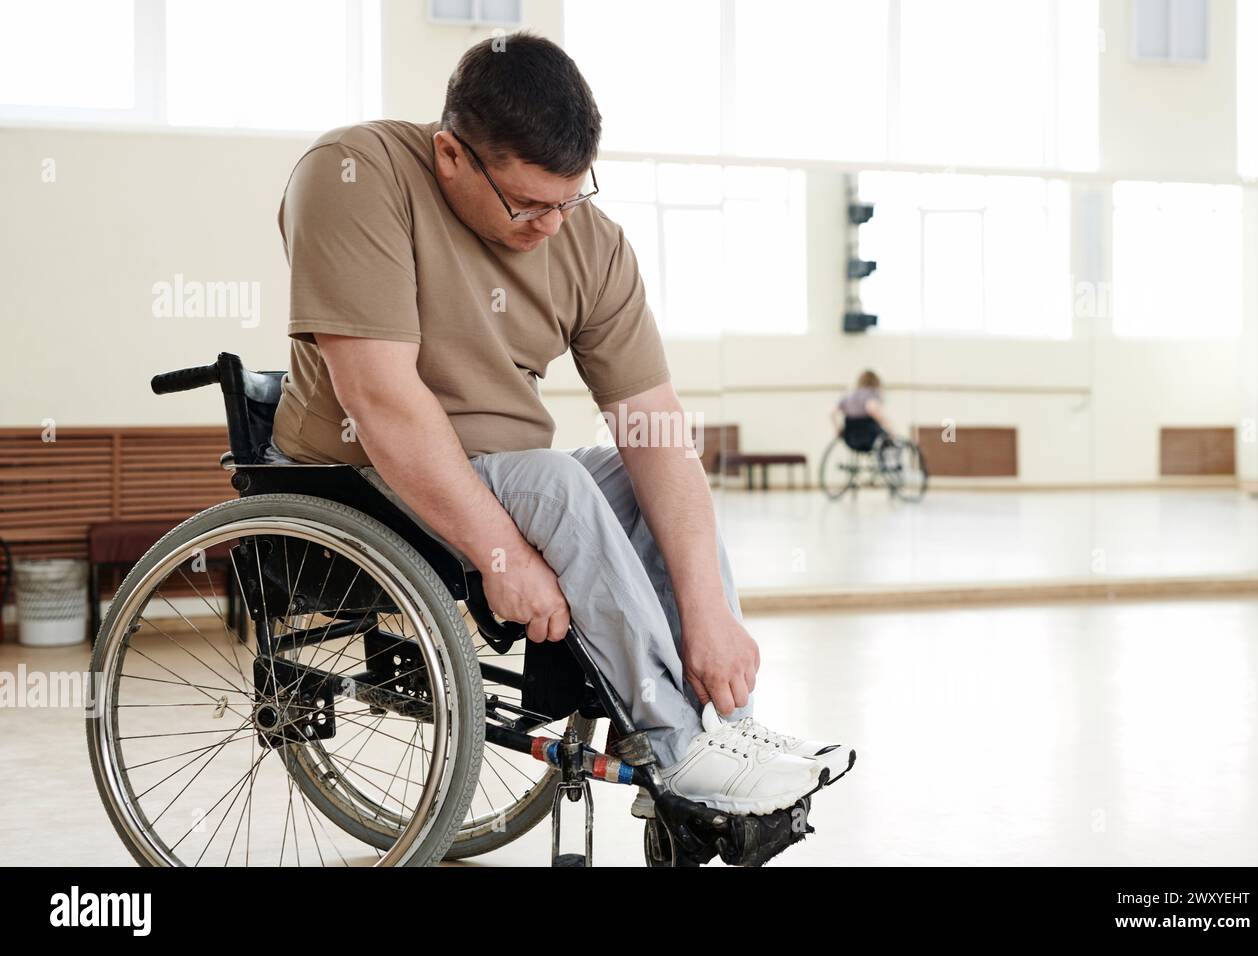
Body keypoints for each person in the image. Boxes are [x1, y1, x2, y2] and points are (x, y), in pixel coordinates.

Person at [267, 33, 854, 817]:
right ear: (450, 155)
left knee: (627, 471)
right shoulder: (354, 175)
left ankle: (731, 730)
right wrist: (499, 553)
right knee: (554, 481)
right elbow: (381, 402)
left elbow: (653, 426)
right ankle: (677, 755)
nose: (552, 225)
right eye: (529, 204)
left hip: (506, 475)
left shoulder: (589, 241)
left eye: (572, 198)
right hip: (355, 480)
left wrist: (708, 611)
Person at [832, 369, 897, 451]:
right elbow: (872, 409)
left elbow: (833, 412)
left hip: (850, 439)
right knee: (889, 440)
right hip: (869, 438)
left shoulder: (849, 395)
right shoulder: (872, 393)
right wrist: (892, 432)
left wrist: (838, 431)